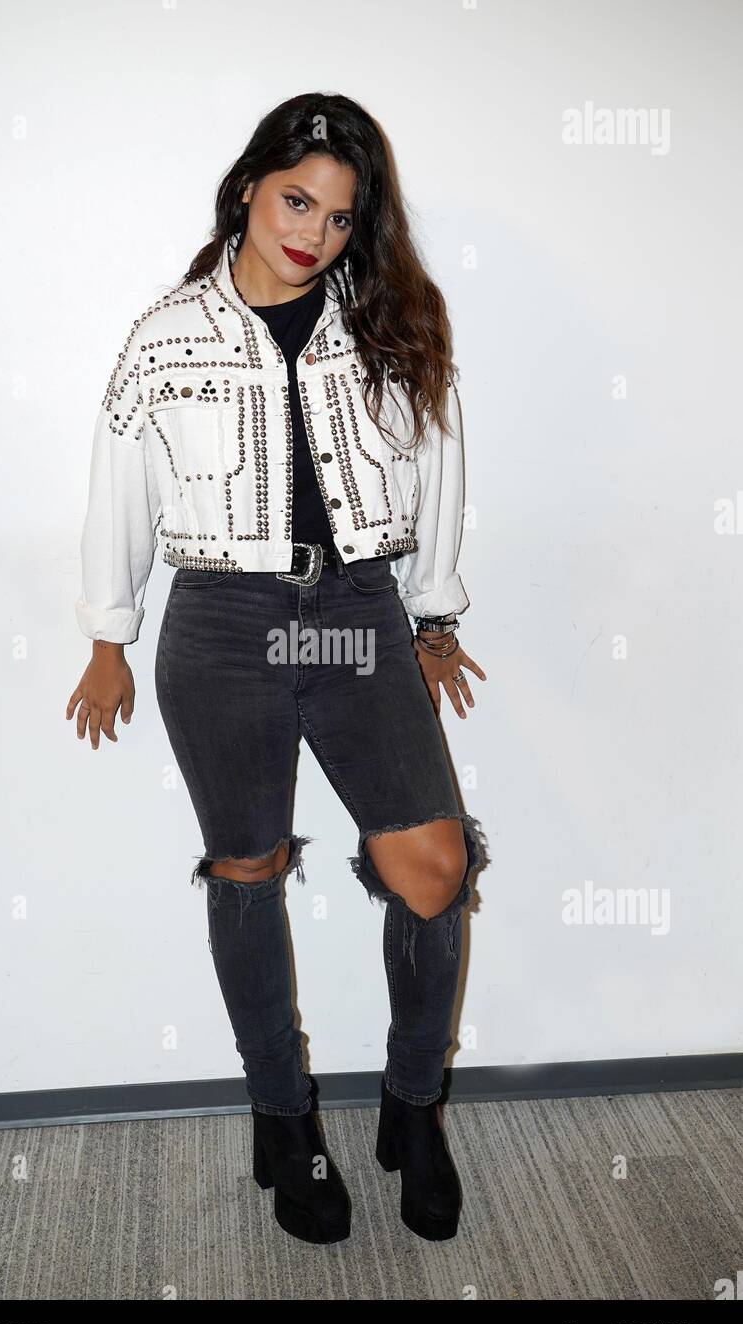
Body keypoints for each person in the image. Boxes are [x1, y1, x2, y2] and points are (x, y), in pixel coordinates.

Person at [67, 92, 488, 1247]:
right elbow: (119, 487)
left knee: (430, 866)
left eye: (340, 217)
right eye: (296, 199)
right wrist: (108, 634)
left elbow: (438, 468)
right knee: (245, 870)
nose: (312, 231)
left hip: (352, 609)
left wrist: (431, 615)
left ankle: (412, 1109)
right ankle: (282, 1115)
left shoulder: (392, 323)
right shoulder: (167, 334)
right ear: (249, 187)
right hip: (221, 621)